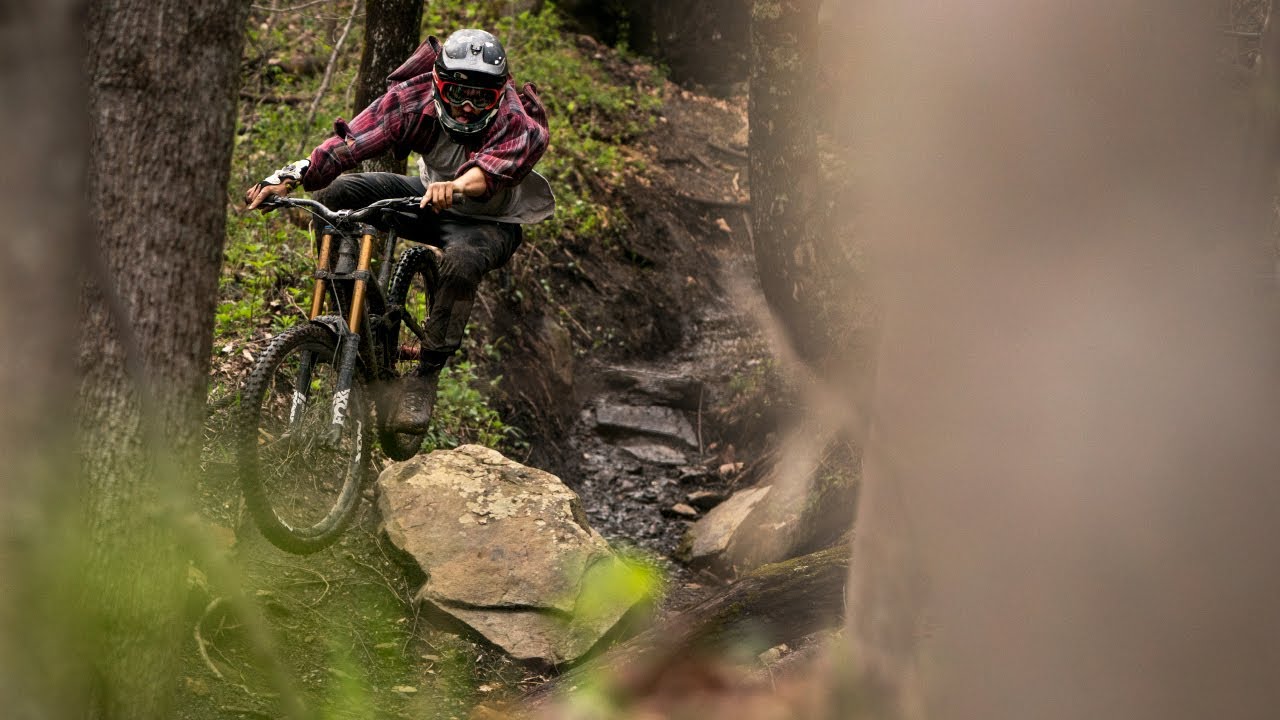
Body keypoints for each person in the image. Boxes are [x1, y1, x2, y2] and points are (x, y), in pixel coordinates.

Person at [245, 28, 554, 434]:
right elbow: (352, 141)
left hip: (491, 221)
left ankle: (423, 379)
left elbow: (488, 174)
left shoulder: (519, 121)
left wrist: (457, 187)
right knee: (337, 196)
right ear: (438, 82)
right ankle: (353, 323)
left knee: (461, 263)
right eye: (457, 91)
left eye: (480, 97)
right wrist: (289, 175)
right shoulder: (412, 99)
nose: (465, 106)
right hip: (427, 198)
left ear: (498, 94)